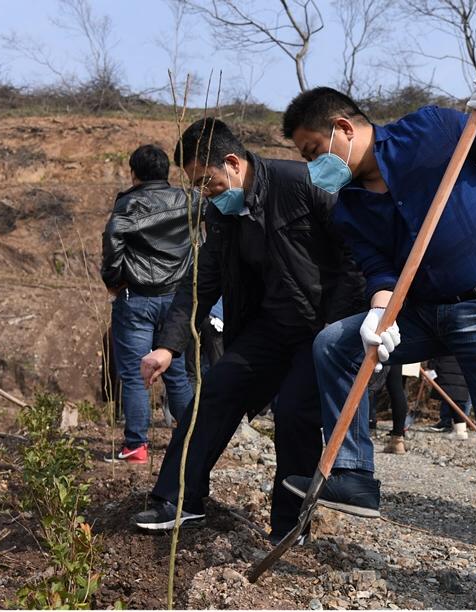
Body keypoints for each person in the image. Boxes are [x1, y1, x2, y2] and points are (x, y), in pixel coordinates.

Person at [281, 73, 476, 609]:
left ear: (343, 129)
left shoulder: (432, 129)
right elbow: (377, 267)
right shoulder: (348, 205)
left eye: (312, 150)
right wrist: (378, 309)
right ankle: (354, 474)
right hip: (421, 313)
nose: (311, 165)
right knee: (335, 343)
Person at [133, 118, 366, 543]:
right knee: (217, 388)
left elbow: (355, 250)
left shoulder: (299, 184)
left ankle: (289, 526)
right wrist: (168, 346)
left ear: (234, 163)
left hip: (321, 327)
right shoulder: (221, 215)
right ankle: (179, 500)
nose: (205, 192)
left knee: (295, 411)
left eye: (208, 181)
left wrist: (341, 323)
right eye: (197, 185)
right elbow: (201, 283)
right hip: (269, 327)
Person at [100, 144, 196, 464]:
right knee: (176, 374)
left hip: (136, 299)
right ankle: (190, 441)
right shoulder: (188, 200)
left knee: (135, 374)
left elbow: (112, 250)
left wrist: (114, 284)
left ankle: (136, 446)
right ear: (166, 172)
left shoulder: (127, 206)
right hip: (177, 300)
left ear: (134, 174)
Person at [426, 356, 473, 440]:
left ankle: (459, 431)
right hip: (462, 364)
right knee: (457, 396)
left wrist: (431, 366)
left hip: (447, 363)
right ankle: (459, 429)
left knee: (453, 396)